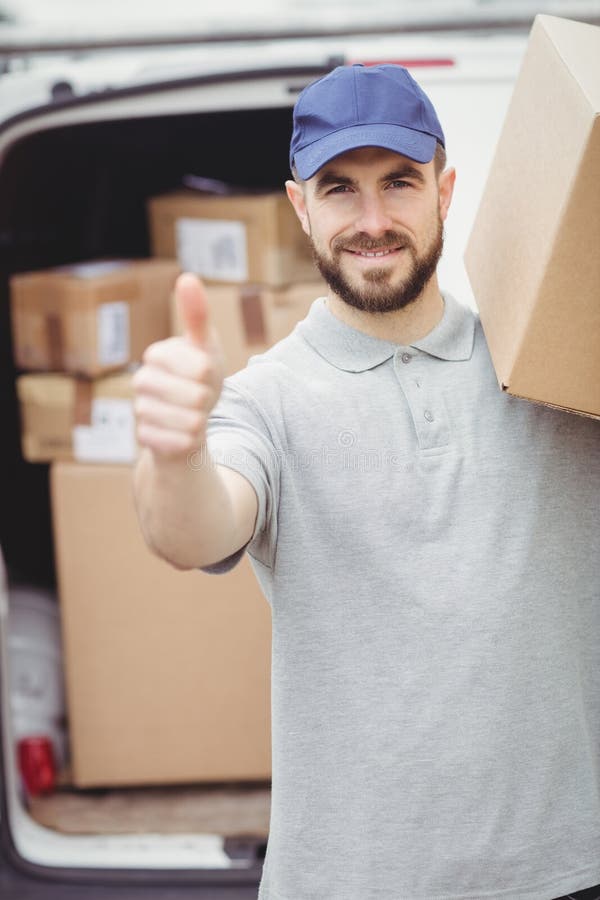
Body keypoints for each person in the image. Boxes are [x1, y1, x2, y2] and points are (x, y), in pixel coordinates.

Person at [132, 64, 600, 900]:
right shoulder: (264, 402)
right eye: (340, 188)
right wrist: (171, 456)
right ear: (299, 205)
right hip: (353, 882)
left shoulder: (552, 370)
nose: (374, 220)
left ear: (446, 191)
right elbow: (196, 526)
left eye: (400, 183)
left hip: (566, 874)